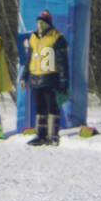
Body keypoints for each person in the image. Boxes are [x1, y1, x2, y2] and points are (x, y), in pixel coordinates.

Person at [24, 9, 69, 146]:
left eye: (43, 23)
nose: (40, 26)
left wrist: (64, 79)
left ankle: (53, 135)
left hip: (50, 76)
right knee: (39, 107)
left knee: (51, 106)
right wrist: (24, 75)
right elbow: (29, 58)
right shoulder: (33, 37)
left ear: (49, 24)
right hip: (35, 76)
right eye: (38, 23)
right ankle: (40, 135)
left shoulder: (56, 37)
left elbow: (63, 61)